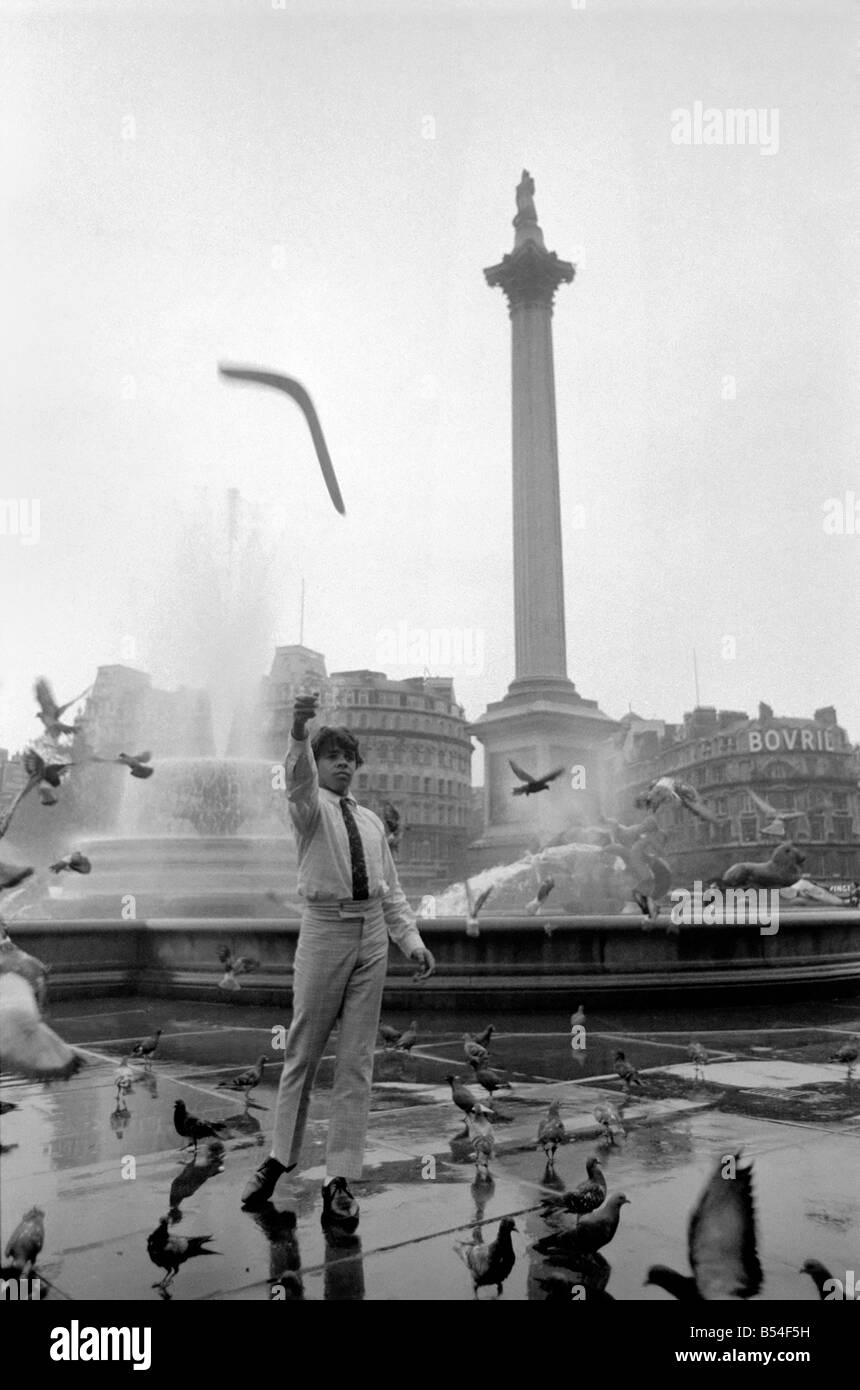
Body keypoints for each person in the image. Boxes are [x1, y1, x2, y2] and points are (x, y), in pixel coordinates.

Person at [241, 693, 435, 1227]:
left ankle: (339, 1179)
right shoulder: (308, 810)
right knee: (302, 1051)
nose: (343, 764)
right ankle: (280, 1157)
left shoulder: (371, 823)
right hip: (325, 929)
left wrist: (411, 942)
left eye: (349, 757)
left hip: (372, 932)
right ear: (320, 764)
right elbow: (297, 779)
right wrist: (300, 732)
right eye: (333, 757)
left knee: (357, 1062)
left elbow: (391, 891)